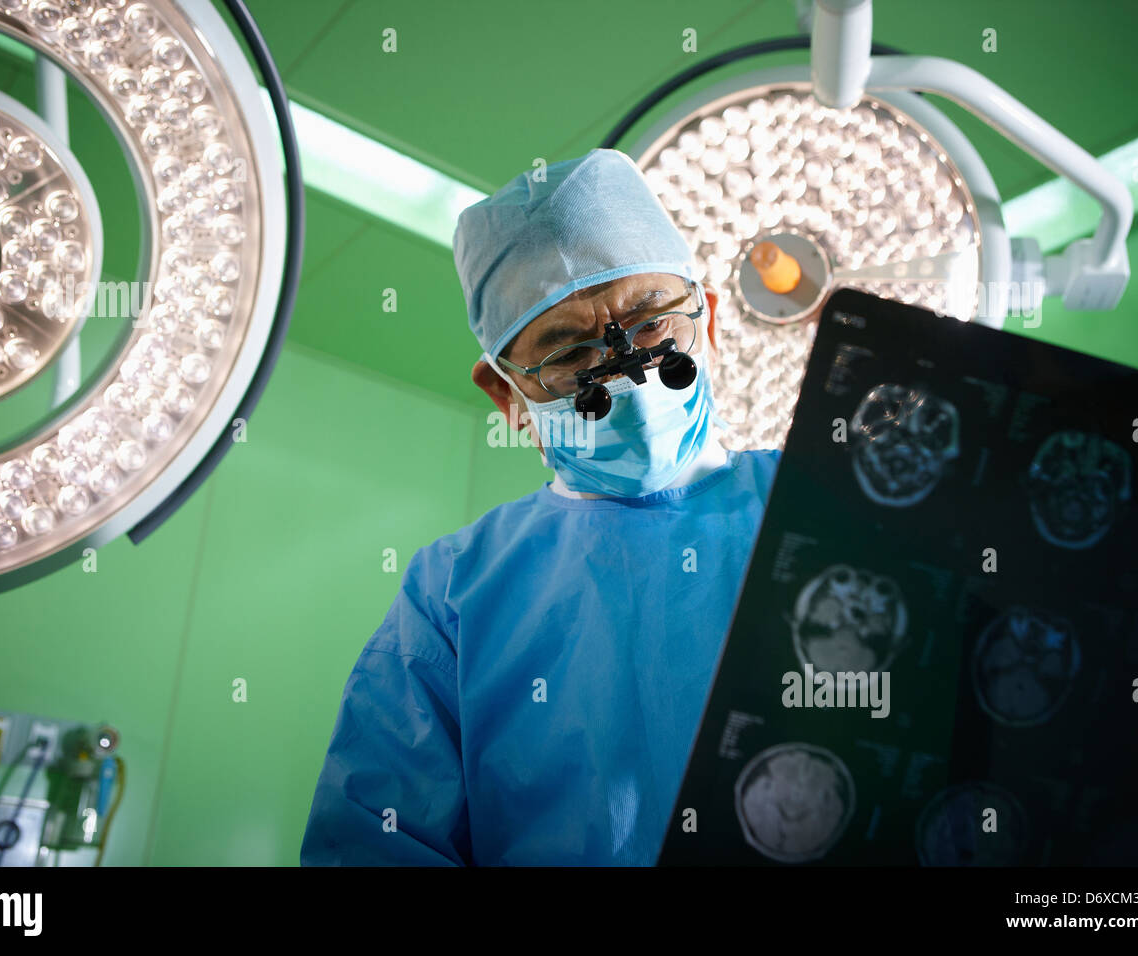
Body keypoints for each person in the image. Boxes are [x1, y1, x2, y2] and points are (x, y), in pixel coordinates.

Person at [301, 148, 781, 865]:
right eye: (569, 357)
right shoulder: (454, 593)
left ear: (706, 320)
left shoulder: (821, 502)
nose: (627, 377)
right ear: (508, 399)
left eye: (653, 324)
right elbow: (375, 843)